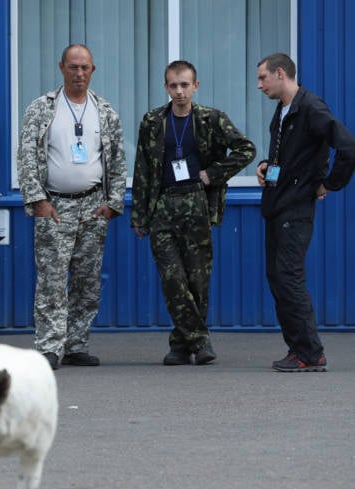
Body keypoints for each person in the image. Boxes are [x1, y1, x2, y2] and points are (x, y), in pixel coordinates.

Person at [131, 60, 255, 366]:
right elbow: (143, 168)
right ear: (165, 87)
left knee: (197, 280)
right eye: (173, 85)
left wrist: (212, 173)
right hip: (163, 205)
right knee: (172, 278)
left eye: (185, 84)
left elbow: (246, 149)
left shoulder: (211, 119)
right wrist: (140, 214)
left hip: (197, 204)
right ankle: (200, 340)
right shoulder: (152, 121)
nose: (179, 91)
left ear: (195, 86)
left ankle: (181, 344)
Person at [18, 44, 126, 370]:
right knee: (51, 280)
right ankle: (50, 346)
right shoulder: (42, 108)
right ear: (61, 67)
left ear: (93, 70)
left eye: (85, 68)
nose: (79, 73)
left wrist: (112, 204)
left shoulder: (104, 111)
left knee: (87, 280)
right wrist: (38, 201)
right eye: (73, 67)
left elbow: (118, 161)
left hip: (93, 206)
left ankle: (77, 343)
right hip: (54, 206)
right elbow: (26, 157)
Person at [255, 53, 355, 372]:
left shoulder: (311, 107)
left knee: (289, 278)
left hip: (295, 209)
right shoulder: (284, 110)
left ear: (280, 73)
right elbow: (287, 155)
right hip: (277, 204)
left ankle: (311, 353)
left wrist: (329, 184)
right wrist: (264, 167)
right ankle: (297, 349)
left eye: (263, 78)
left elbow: (347, 147)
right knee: (278, 278)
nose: (259, 85)